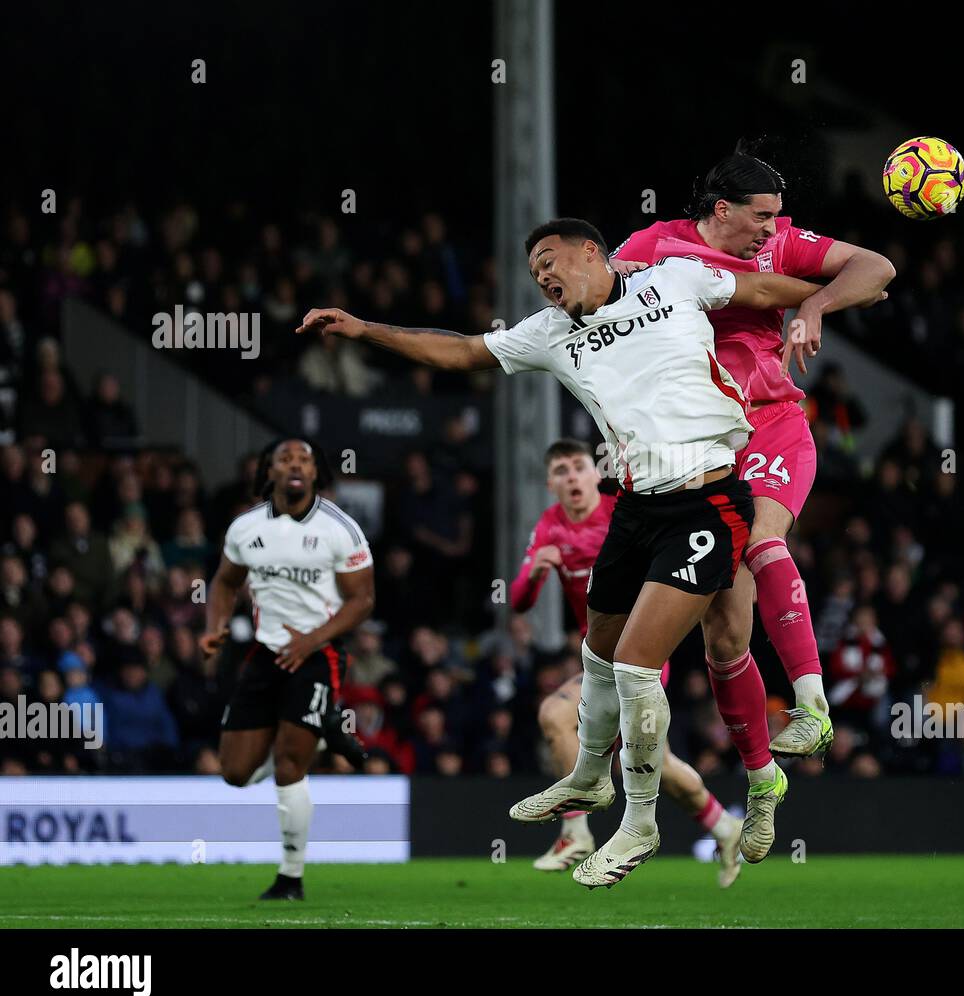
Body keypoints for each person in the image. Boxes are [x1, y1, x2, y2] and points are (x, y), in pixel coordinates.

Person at [298, 217, 828, 886]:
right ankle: (589, 781)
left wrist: (818, 300)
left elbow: (758, 287)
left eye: (550, 261)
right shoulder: (550, 333)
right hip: (637, 507)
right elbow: (461, 351)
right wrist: (367, 329)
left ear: (590, 253)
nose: (542, 276)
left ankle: (640, 826)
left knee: (643, 666)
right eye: (533, 272)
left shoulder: (673, 280)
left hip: (709, 501)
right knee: (599, 654)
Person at [611, 150, 894, 767]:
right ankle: (763, 780)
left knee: (767, 540)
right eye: (762, 215)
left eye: (777, 216)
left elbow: (876, 269)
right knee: (725, 634)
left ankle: (812, 707)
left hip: (771, 422)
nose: (773, 227)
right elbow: (603, 296)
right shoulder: (655, 243)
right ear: (722, 210)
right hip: (702, 446)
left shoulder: (783, 245)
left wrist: (815, 306)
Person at [512, 438, 743, 886]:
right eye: (561, 471)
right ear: (549, 483)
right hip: (600, 660)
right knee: (660, 762)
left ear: (597, 472)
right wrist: (535, 570)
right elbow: (520, 601)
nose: (572, 477)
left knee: (555, 713)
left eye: (578, 467)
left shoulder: (621, 515)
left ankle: (575, 831)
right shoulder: (549, 526)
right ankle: (724, 827)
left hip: (643, 653)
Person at [200, 438, 374, 900]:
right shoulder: (245, 528)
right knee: (234, 773)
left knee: (288, 763)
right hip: (267, 652)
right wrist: (214, 626)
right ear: (269, 471)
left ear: (316, 474)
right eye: (285, 459)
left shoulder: (341, 529)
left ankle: (290, 877)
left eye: (304, 460)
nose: (295, 465)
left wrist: (312, 640)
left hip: (320, 653)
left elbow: (363, 600)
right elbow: (224, 582)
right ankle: (323, 726)